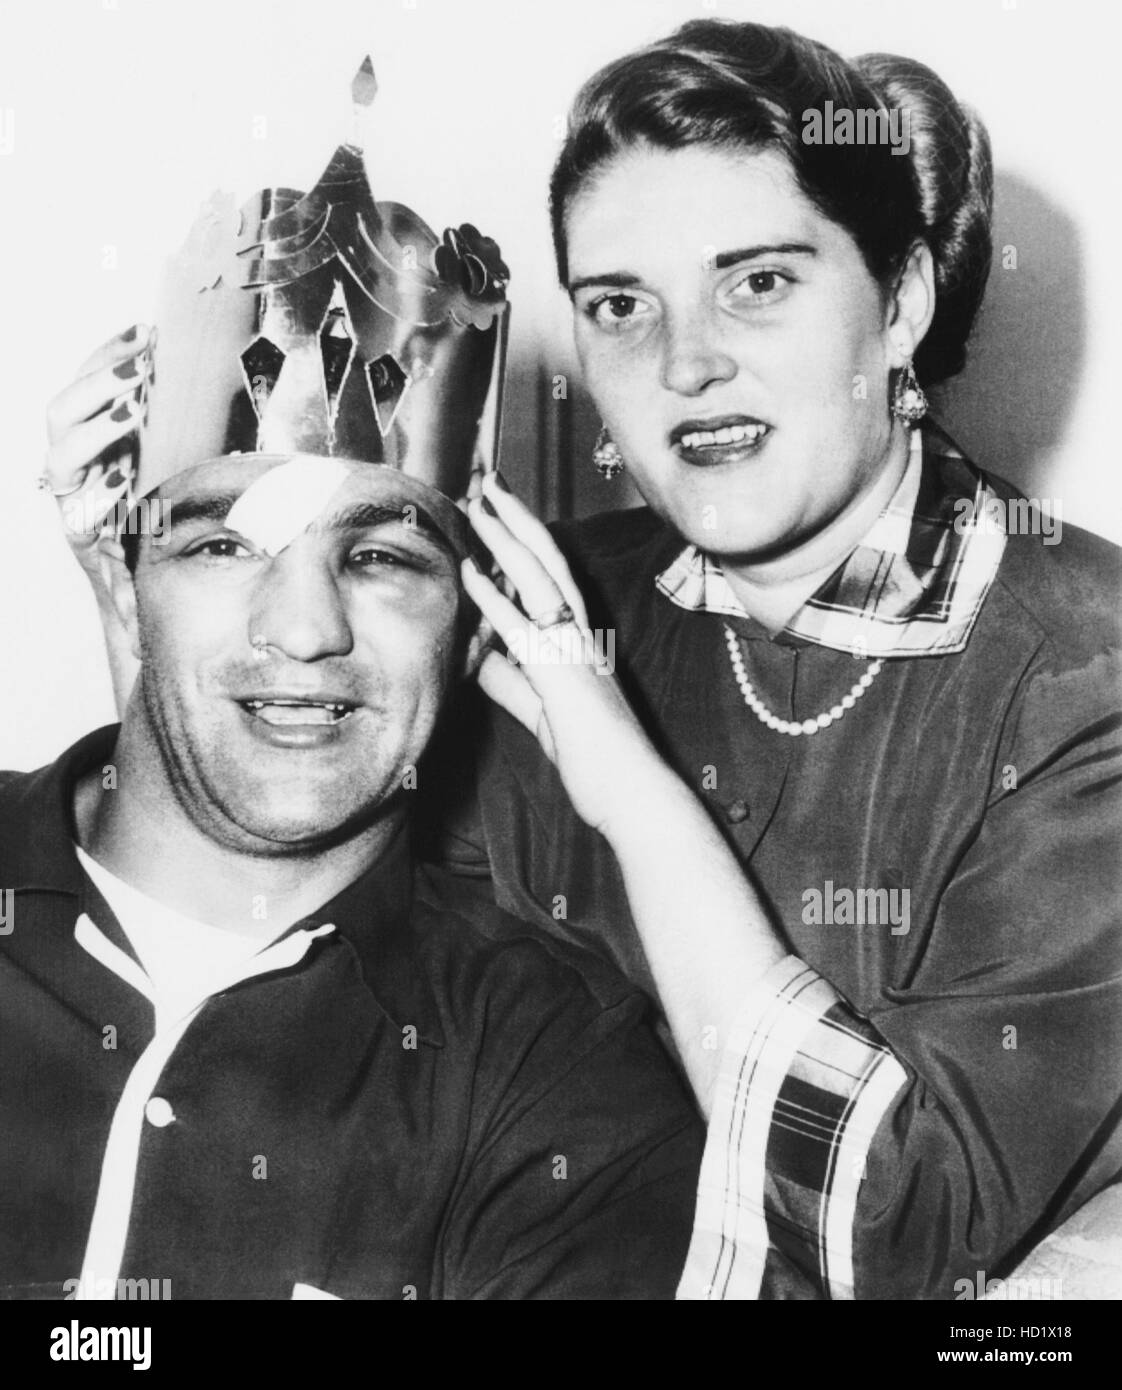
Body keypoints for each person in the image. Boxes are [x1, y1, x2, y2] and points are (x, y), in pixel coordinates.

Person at [44, 22, 1122, 1302]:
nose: (684, 362)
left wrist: (626, 786)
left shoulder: (1082, 674)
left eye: (759, 281)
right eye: (620, 304)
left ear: (901, 305)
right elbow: (289, 931)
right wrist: (138, 594)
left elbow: (884, 1231)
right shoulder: (549, 585)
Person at [4, 77, 703, 1301]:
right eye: (222, 545)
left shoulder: (556, 1076)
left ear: (467, 615)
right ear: (122, 580)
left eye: (381, 556)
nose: (307, 629)